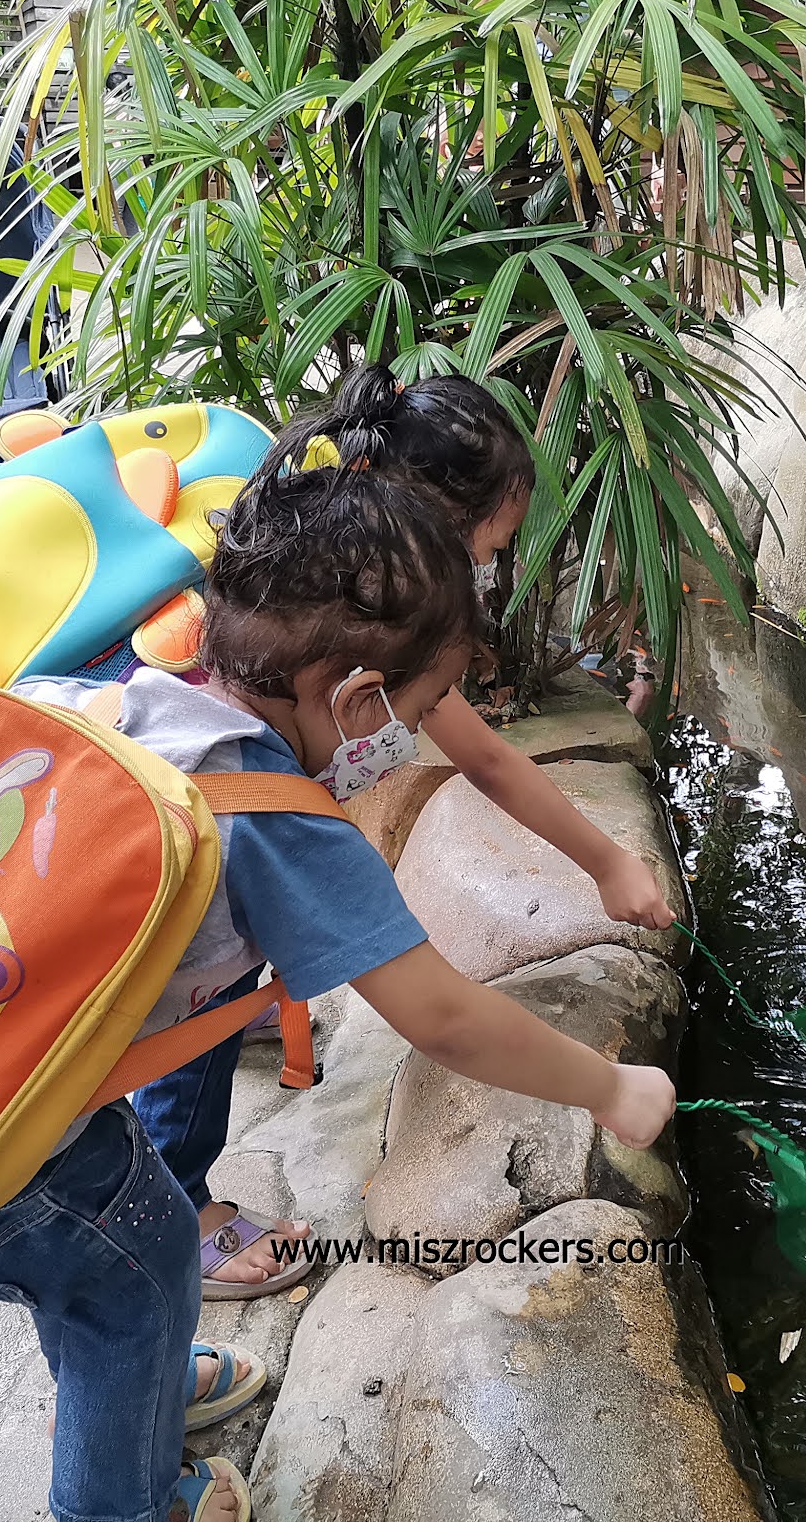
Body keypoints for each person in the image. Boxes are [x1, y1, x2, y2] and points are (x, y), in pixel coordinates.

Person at [0, 462, 677, 1522]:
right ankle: (128, 1492)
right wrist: (608, 1090)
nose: (425, 727)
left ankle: (134, 1393)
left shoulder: (98, 695)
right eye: (426, 704)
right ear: (354, 700)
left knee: (108, 1240)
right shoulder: (275, 817)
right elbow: (442, 1016)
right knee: (136, 1262)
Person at [136, 366, 681, 1296]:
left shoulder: (265, 638)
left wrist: (605, 862)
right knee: (175, 1079)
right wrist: (611, 1088)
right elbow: (443, 1017)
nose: (480, 574)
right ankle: (174, 1217)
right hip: (43, 1142)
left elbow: (486, 758)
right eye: (483, 549)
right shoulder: (302, 781)